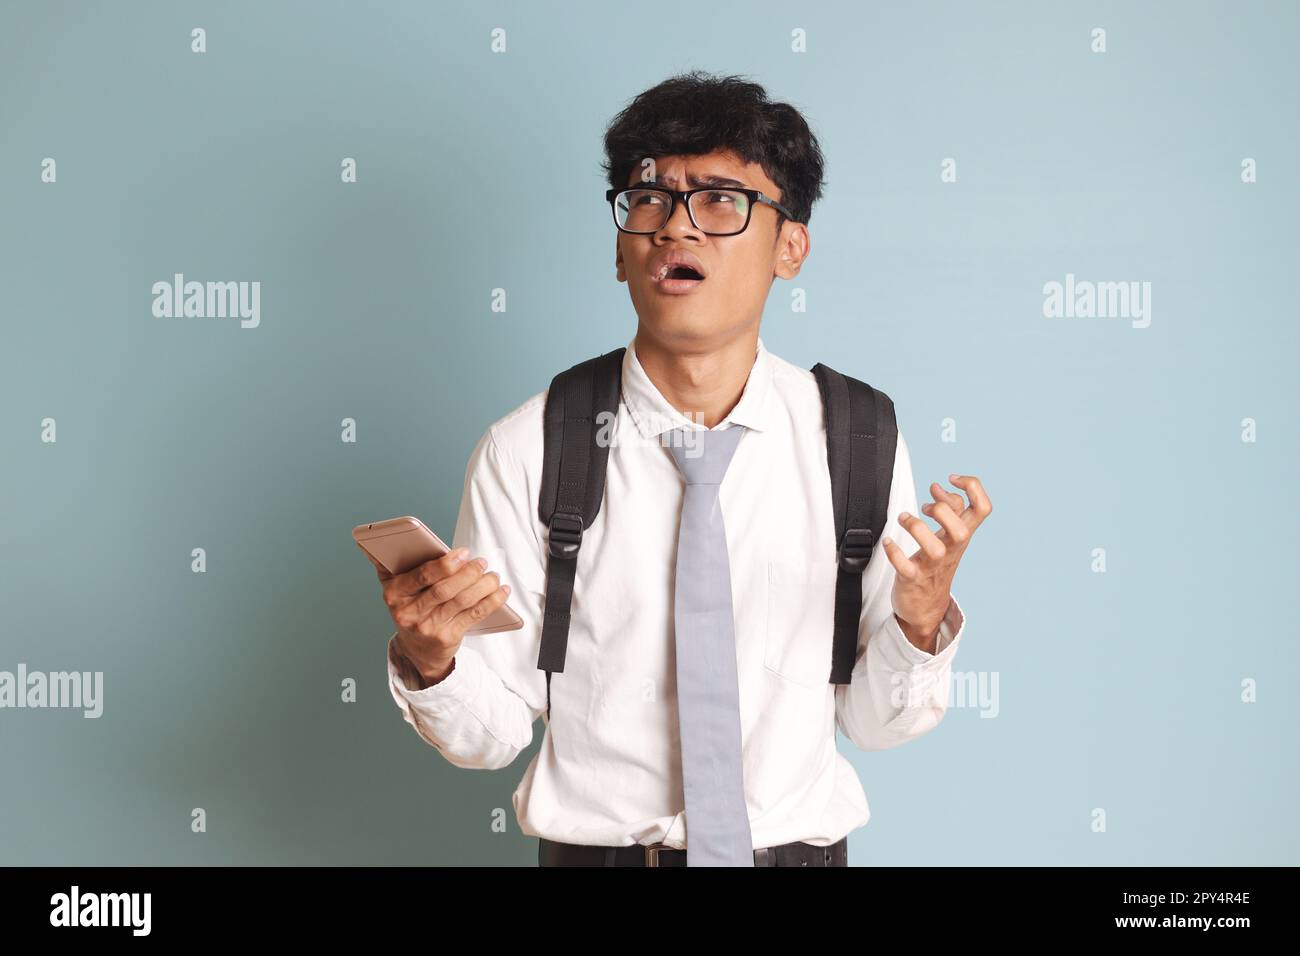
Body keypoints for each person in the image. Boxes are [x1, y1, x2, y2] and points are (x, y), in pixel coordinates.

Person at [370, 70, 992, 867]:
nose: (676, 228)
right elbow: (488, 736)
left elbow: (879, 723)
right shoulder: (531, 447)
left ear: (791, 247)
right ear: (622, 252)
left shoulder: (857, 440)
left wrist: (921, 617)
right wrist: (432, 658)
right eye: (651, 199)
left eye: (722, 200)